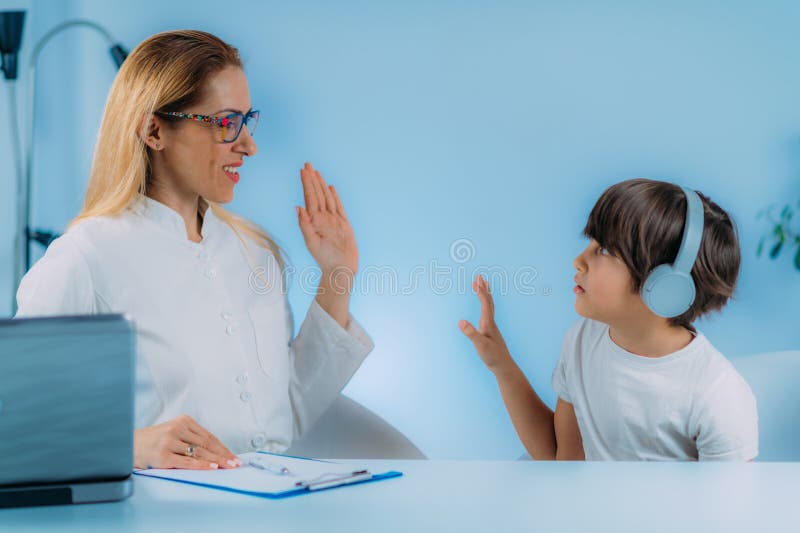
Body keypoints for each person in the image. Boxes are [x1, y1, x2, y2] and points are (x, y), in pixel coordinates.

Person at [15, 30, 373, 470]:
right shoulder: (86, 257)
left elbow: (288, 416)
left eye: (247, 120)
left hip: (276, 505)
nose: (248, 144)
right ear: (154, 130)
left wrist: (338, 274)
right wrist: (130, 446)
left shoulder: (255, 254)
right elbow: (15, 423)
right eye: (226, 123)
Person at [459, 179, 758, 461]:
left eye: (603, 250)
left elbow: (727, 510)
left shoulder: (717, 394)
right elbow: (562, 460)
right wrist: (501, 365)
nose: (578, 260)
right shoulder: (581, 341)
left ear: (667, 287)